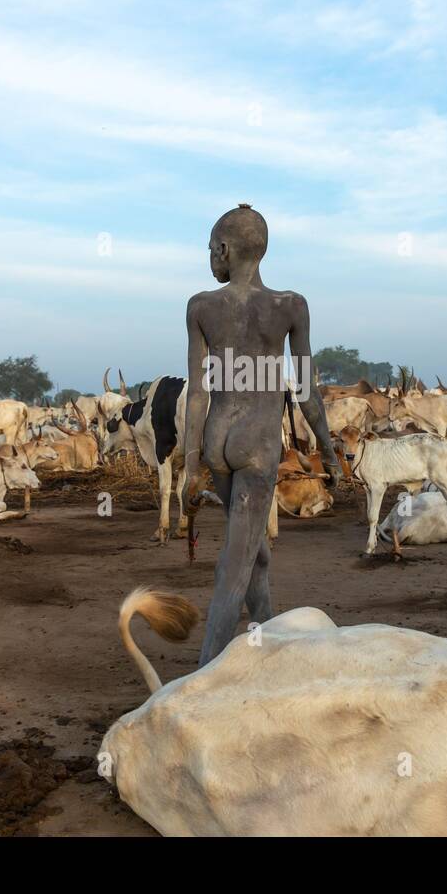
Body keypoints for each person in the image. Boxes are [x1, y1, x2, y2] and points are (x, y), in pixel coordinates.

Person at [183, 204, 342, 666]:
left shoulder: (201, 307)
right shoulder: (290, 307)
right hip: (257, 447)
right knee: (232, 568)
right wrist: (329, 454)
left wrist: (192, 463)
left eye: (212, 248)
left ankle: (271, 649)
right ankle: (199, 681)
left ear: (226, 250)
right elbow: (307, 390)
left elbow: (197, 392)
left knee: (254, 554)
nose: (210, 257)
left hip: (217, 441)